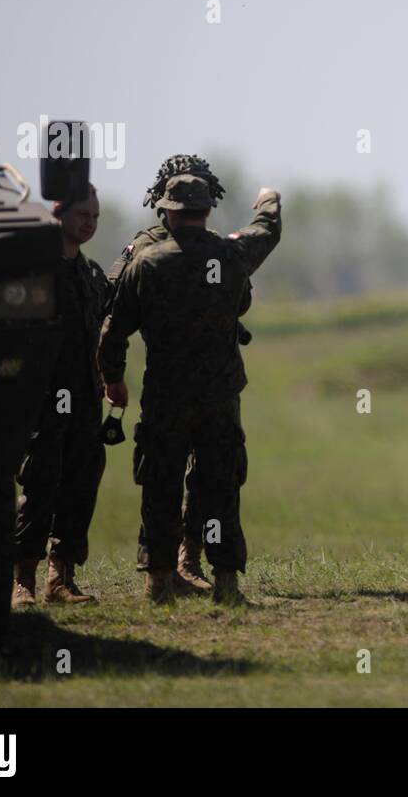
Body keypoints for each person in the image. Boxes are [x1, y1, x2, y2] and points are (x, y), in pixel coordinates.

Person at [98, 173, 281, 605]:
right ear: (208, 211)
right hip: (219, 399)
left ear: (168, 212)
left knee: (160, 486)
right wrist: (268, 199)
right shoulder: (232, 253)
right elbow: (267, 230)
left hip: (165, 398)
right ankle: (226, 585)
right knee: (220, 486)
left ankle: (159, 583)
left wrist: (113, 378)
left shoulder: (148, 264)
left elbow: (113, 330)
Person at [13, 183, 109, 607]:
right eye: (82, 215)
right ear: (58, 213)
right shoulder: (35, 272)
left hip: (86, 399)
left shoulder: (90, 276)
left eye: (95, 217)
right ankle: (22, 582)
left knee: (79, 485)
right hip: (44, 399)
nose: (89, 223)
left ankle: (61, 577)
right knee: (39, 485)